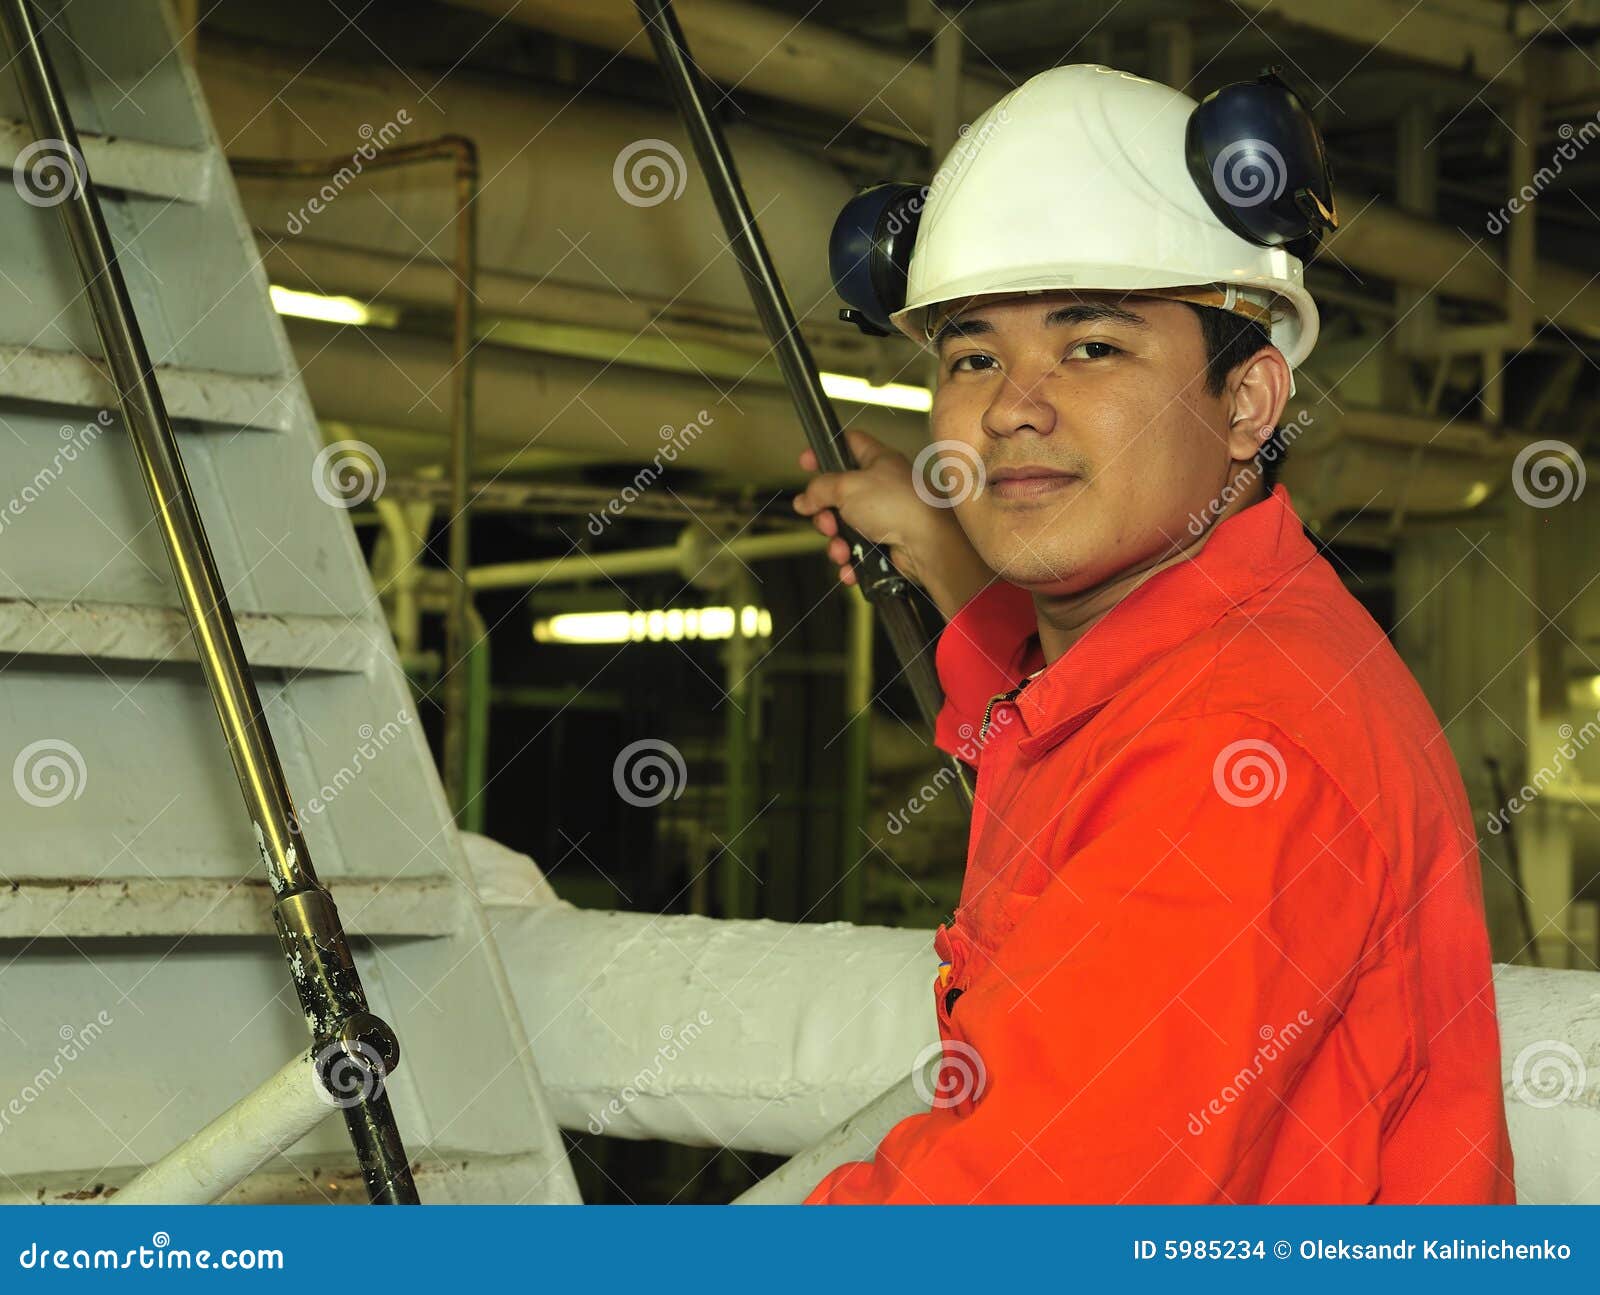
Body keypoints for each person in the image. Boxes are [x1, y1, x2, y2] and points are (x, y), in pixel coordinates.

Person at [792, 64, 1514, 1204]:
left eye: (1092, 347)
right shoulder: (1209, 651)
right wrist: (939, 551)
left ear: (1247, 405)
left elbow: (999, 1222)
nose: (1010, 404)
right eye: (972, 353)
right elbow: (1065, 729)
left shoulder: (1238, 758)